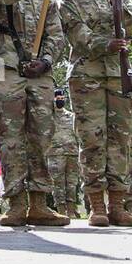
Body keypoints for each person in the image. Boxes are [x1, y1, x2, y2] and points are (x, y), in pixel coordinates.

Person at [0, 0, 68, 227]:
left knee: (42, 136)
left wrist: (45, 61)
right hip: (3, 68)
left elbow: (56, 35)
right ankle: (16, 202)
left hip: (40, 74)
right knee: (10, 136)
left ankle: (40, 203)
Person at [58, 0, 132, 228]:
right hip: (86, 76)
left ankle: (118, 205)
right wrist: (105, 44)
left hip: (119, 76)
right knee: (92, 140)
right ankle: (96, 205)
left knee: (119, 141)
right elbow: (77, 34)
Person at [47, 88, 81, 218]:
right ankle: (61, 210)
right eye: (57, 98)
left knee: (72, 183)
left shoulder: (72, 116)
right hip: (55, 154)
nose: (60, 100)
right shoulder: (49, 117)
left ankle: (71, 210)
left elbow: (78, 134)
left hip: (72, 153)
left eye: (62, 98)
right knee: (58, 183)